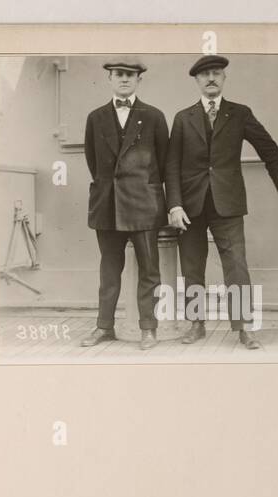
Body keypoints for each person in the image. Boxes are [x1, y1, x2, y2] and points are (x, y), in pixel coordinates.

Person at [164, 54, 278, 349]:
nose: (211, 78)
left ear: (224, 78)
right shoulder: (183, 118)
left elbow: (268, 147)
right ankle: (196, 324)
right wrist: (174, 205)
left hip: (228, 203)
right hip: (190, 205)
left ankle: (243, 328)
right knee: (192, 266)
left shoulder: (239, 113)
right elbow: (171, 165)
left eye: (216, 73)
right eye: (205, 74)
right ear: (197, 81)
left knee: (236, 265)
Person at [80, 58, 170, 351]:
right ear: (109, 78)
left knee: (149, 271)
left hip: (144, 206)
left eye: (130, 75)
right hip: (107, 206)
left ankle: (148, 329)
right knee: (109, 271)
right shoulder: (95, 117)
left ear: (139, 80)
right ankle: (104, 327)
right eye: (119, 74)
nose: (124, 79)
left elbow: (164, 163)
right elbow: (94, 162)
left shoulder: (154, 116)